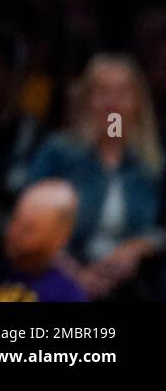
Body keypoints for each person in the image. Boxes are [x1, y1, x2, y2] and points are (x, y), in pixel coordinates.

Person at [25, 53, 165, 299]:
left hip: (135, 283)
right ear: (86, 100)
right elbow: (27, 222)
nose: (113, 103)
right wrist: (75, 276)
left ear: (138, 103)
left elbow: (161, 228)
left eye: (123, 93)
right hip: (60, 276)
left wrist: (137, 248)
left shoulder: (153, 162)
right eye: (102, 92)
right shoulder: (58, 152)